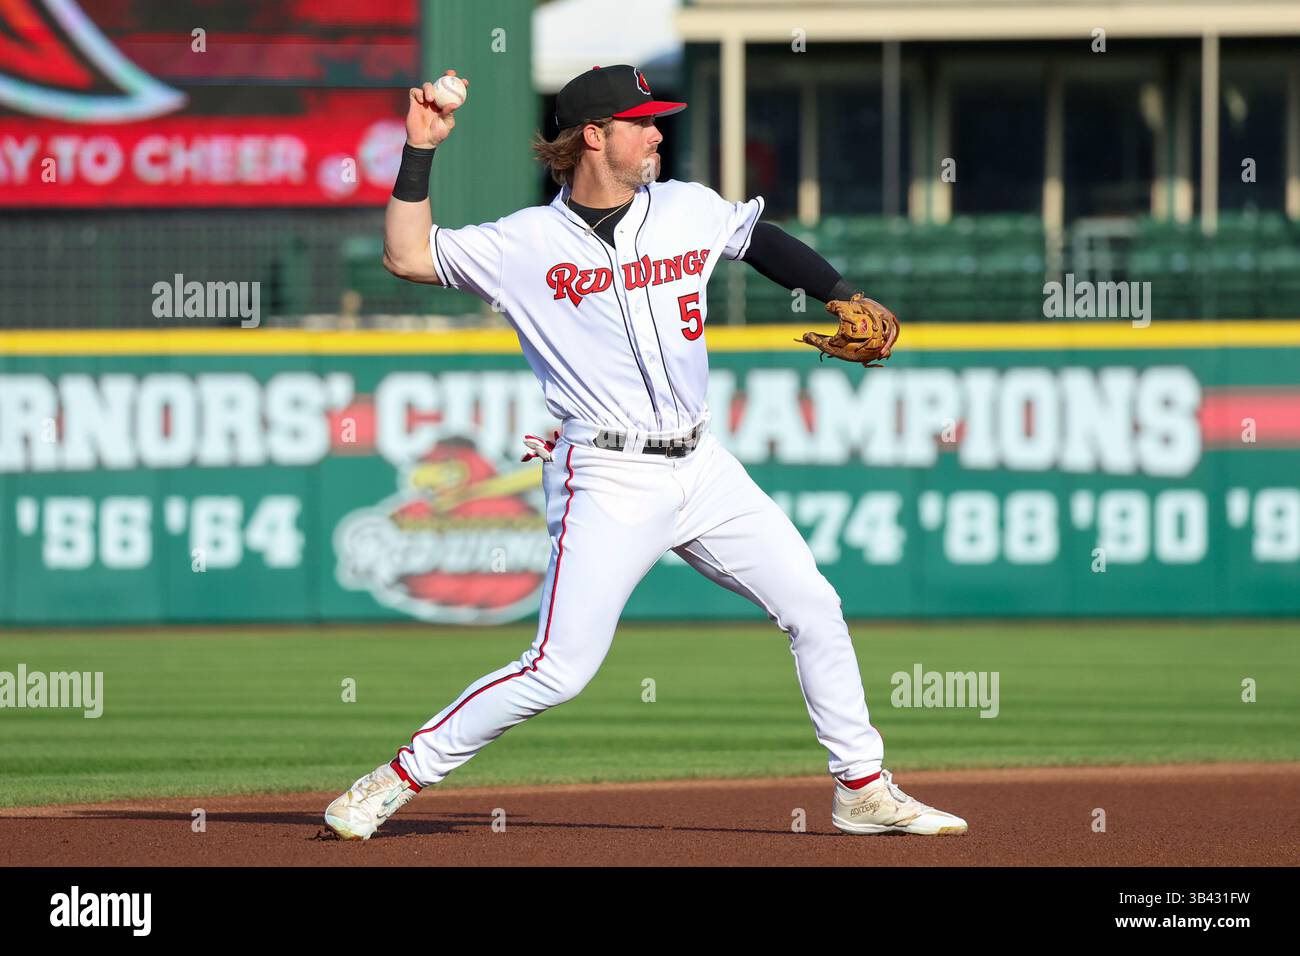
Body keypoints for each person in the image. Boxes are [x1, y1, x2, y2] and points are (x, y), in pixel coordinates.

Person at [324, 65, 967, 839]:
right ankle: (395, 777)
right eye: (644, 121)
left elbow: (757, 239)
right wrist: (419, 148)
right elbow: (406, 256)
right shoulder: (522, 244)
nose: (659, 132)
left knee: (815, 607)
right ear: (594, 136)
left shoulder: (686, 208)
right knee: (558, 670)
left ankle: (861, 786)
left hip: (702, 464)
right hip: (608, 472)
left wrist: (839, 291)